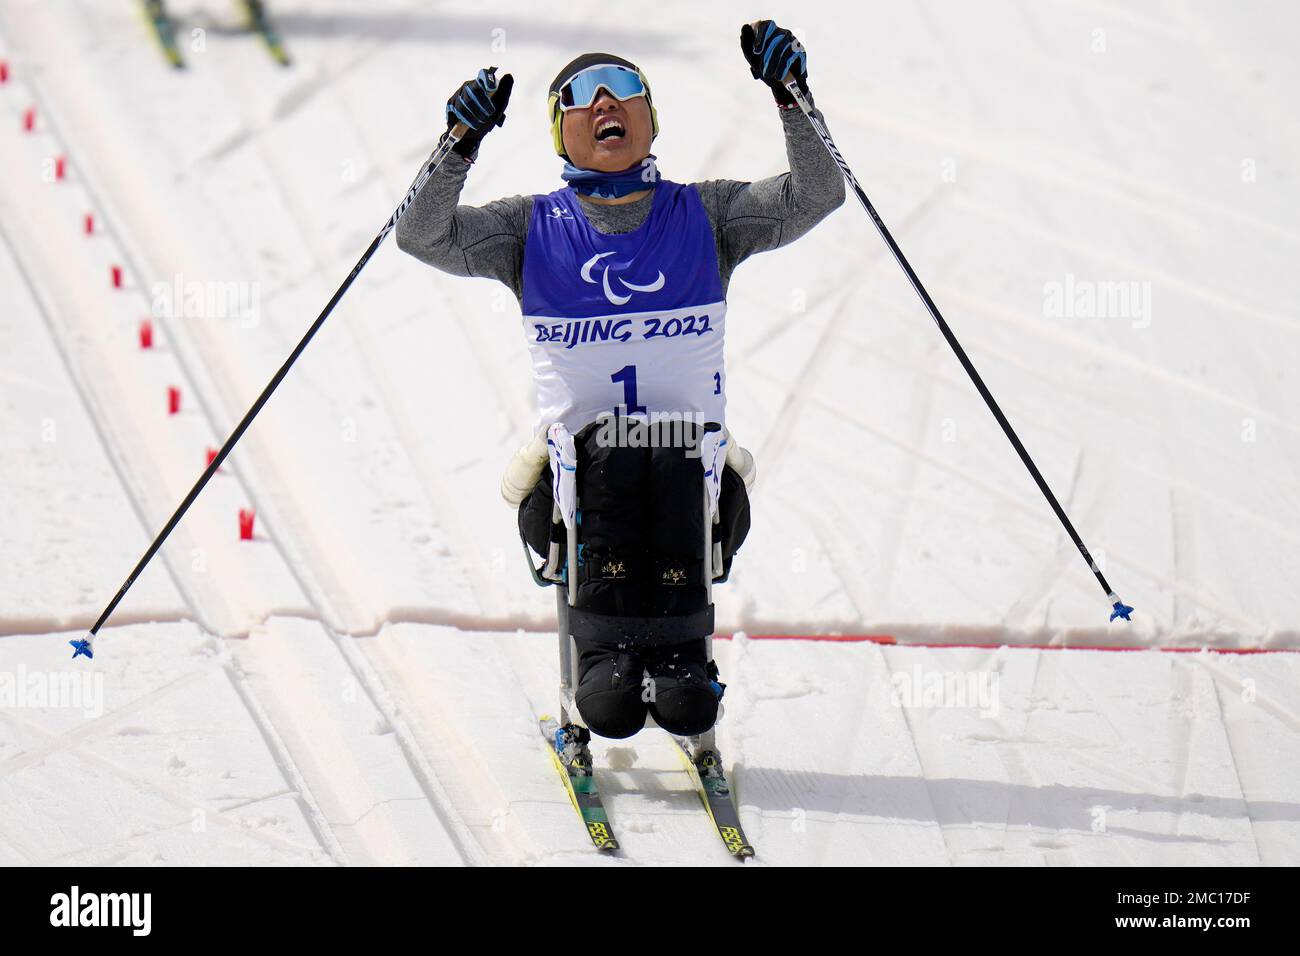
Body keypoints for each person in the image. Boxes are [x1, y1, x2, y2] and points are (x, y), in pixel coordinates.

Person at [396, 21, 844, 740]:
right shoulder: (529, 228)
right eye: (581, 95)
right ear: (559, 131)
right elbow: (421, 235)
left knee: (669, 461)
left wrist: (794, 98)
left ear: (649, 117)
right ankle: (601, 653)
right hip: (577, 492)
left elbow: (814, 197)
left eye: (627, 87)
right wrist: (459, 143)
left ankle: (679, 655)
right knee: (606, 463)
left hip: (690, 484)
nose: (608, 101)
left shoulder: (707, 214)